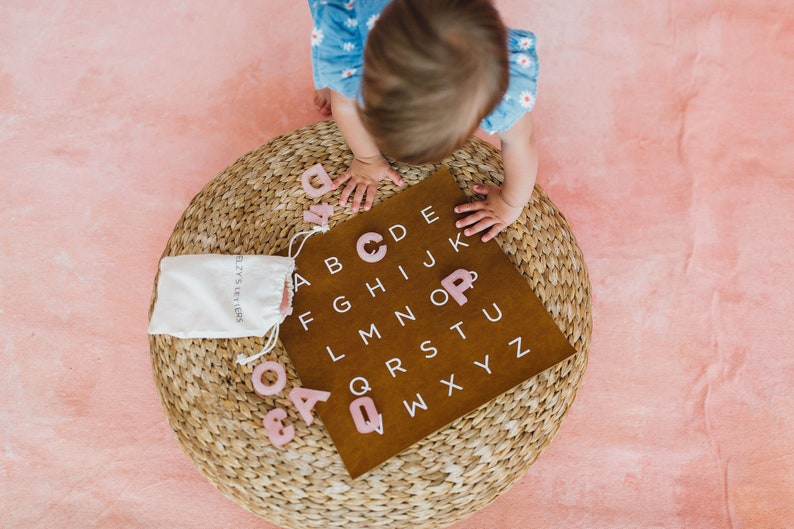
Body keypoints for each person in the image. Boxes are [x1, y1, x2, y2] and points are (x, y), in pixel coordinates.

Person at [309, 0, 539, 242]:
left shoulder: (502, 87)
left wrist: (511, 202)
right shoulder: (351, 48)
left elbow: (521, 140)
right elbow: (346, 107)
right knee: (337, 75)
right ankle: (330, 77)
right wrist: (367, 158)